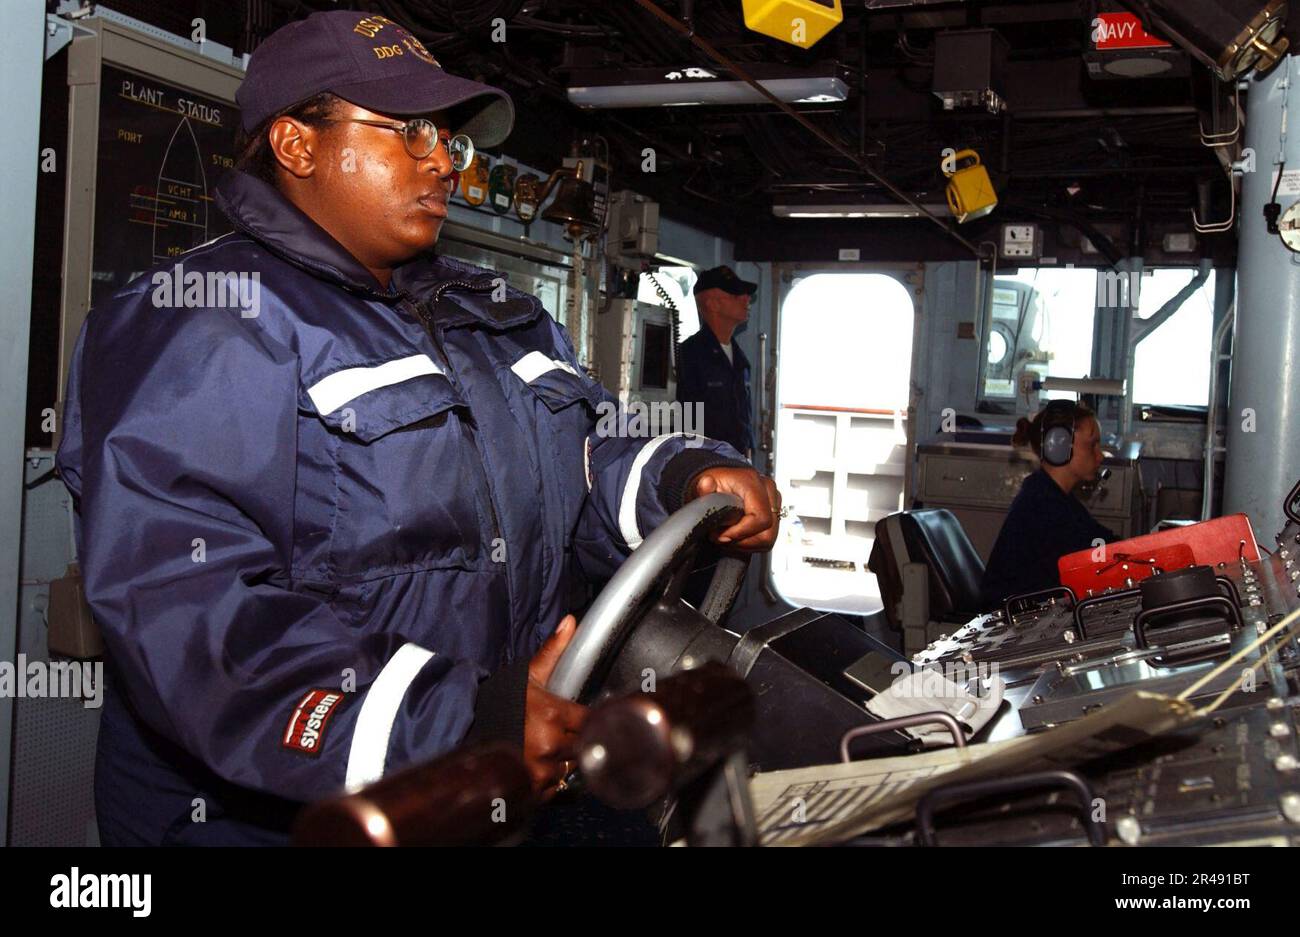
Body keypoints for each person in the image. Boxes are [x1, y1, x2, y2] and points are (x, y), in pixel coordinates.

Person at [54, 10, 781, 846]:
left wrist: (680, 474)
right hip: (289, 810)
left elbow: (584, 455)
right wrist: (456, 721)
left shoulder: (494, 313)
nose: (444, 161)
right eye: (408, 133)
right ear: (298, 146)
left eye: (448, 139)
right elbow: (194, 612)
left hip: (494, 771)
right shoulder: (202, 324)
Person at [980, 401, 1115, 607]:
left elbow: (1101, 542)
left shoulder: (1050, 493)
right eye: (1092, 445)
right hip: (1016, 622)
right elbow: (1102, 554)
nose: (1100, 456)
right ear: (1058, 445)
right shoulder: (1043, 504)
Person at [676, 266, 757, 459]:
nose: (746, 298)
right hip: (704, 465)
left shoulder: (740, 359)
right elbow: (685, 423)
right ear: (712, 304)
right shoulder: (689, 355)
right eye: (735, 294)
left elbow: (743, 418)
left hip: (737, 462)